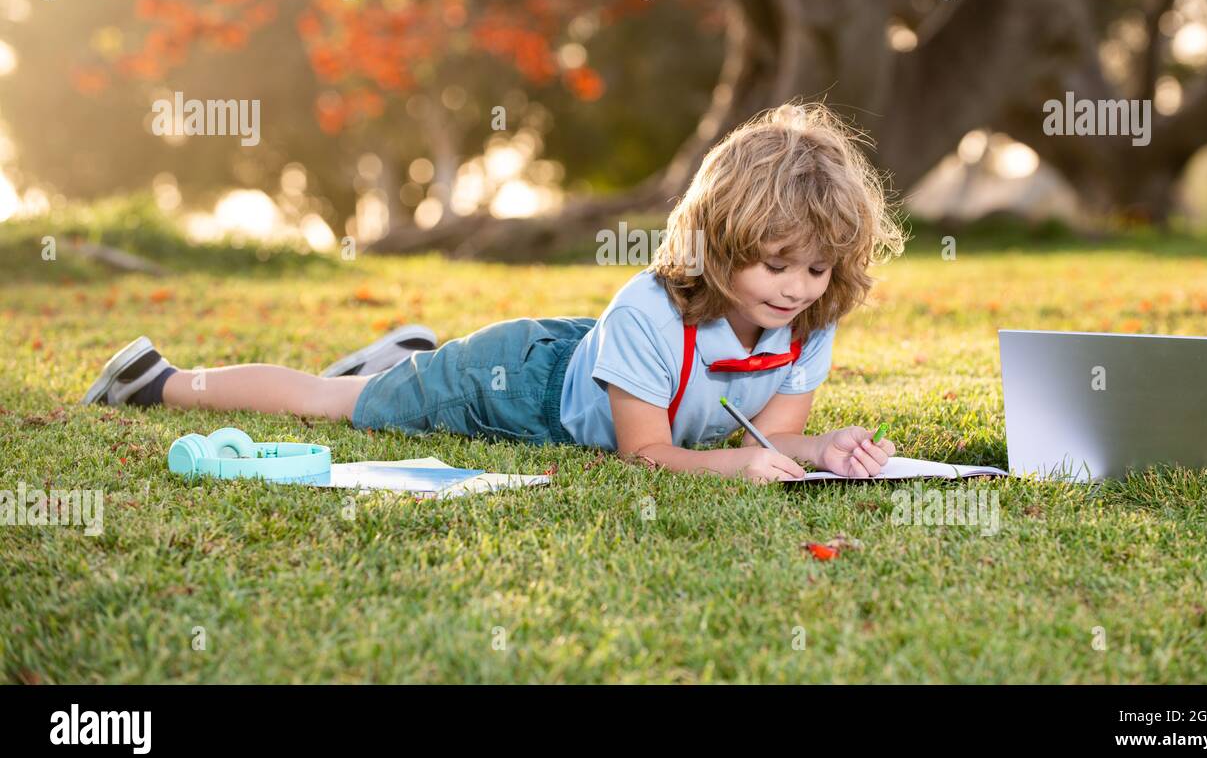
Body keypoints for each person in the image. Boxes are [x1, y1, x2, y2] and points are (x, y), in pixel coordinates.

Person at [81, 102, 908, 482]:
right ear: (717, 244)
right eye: (775, 263)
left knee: (377, 384)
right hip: (512, 386)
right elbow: (646, 457)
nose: (798, 288)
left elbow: (767, 436)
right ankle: (157, 382)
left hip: (583, 362)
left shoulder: (807, 319)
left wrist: (822, 448)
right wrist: (742, 471)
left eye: (818, 268)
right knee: (332, 405)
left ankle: (402, 356)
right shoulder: (652, 312)